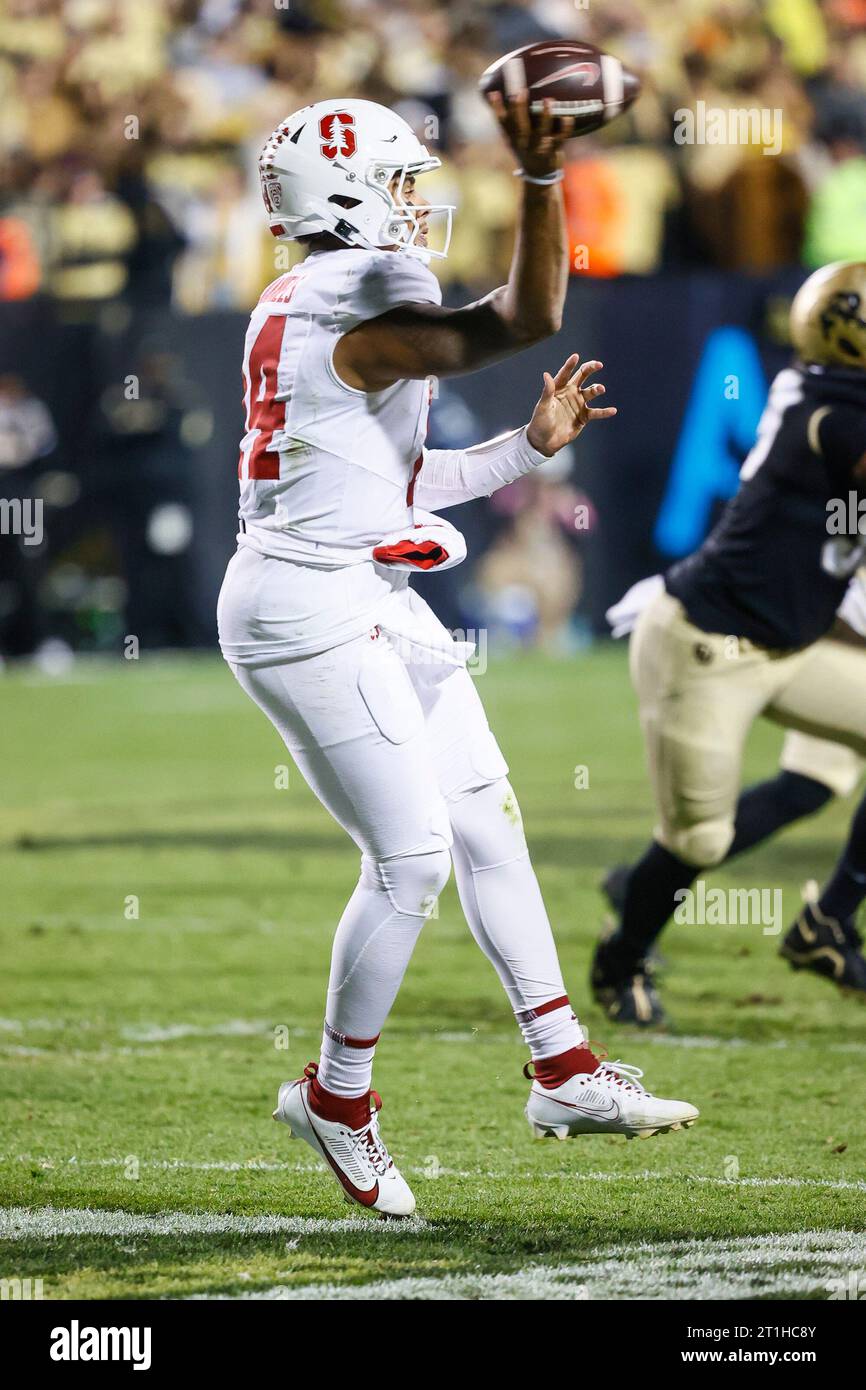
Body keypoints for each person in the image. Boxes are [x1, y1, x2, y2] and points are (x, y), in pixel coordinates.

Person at [217, 96, 698, 1217]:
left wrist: (518, 451)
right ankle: (335, 1100)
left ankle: (563, 1070)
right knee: (412, 860)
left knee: (486, 812)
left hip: (354, 582)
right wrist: (539, 179)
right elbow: (526, 313)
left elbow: (389, 483)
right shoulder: (351, 300)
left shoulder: (308, 298)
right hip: (305, 611)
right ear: (342, 197)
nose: (411, 205)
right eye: (395, 184)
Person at [592, 263, 866, 1027]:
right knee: (698, 841)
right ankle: (620, 962)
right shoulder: (833, 405)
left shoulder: (824, 393)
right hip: (707, 647)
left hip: (793, 641)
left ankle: (829, 922)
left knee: (814, 782)